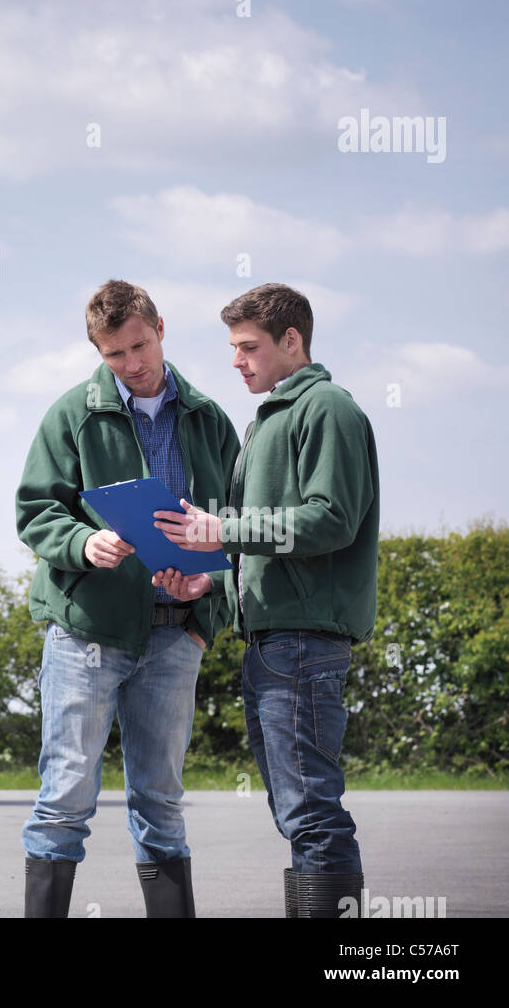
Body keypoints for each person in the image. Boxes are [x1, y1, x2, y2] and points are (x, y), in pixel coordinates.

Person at [153, 283, 379, 918]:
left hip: (304, 644)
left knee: (310, 811)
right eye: (233, 348)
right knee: (298, 810)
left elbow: (330, 520)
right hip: (273, 642)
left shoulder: (328, 408)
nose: (237, 360)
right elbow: (262, 550)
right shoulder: (267, 419)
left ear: (291, 341)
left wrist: (221, 530)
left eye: (248, 346)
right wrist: (211, 582)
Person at [17, 279, 240, 917]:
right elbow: (36, 511)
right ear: (98, 352)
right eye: (115, 355)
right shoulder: (71, 415)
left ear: (161, 327)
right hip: (87, 633)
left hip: (176, 635)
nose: (133, 364)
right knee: (64, 798)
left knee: (162, 802)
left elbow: (237, 525)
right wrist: (83, 544)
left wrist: (209, 597)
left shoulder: (209, 420)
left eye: (140, 346)